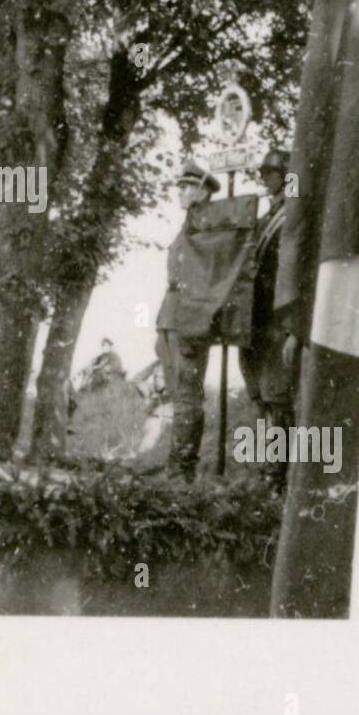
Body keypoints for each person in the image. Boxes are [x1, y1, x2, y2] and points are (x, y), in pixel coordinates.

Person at [154, 160, 223, 481]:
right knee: (178, 392)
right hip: (172, 314)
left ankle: (181, 468)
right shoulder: (190, 223)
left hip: (190, 317)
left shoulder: (208, 224)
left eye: (186, 186)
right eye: (179, 186)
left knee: (186, 394)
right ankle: (177, 465)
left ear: (204, 190)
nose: (179, 191)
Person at [240, 148, 299, 493]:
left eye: (271, 173)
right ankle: (266, 470)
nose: (265, 179)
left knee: (277, 400)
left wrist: (294, 326)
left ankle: (276, 478)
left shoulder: (293, 216)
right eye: (263, 173)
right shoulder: (265, 219)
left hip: (278, 321)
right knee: (260, 398)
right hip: (255, 321)